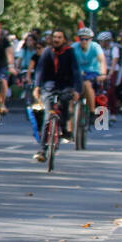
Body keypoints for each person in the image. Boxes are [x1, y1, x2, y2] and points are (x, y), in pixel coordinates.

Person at [32, 29, 80, 159]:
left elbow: (76, 71)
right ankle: (42, 150)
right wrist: (37, 86)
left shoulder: (70, 52)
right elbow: (40, 69)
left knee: (64, 104)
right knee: (48, 117)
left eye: (59, 37)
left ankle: (64, 128)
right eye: (54, 37)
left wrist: (77, 90)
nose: (56, 39)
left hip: (65, 86)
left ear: (64, 40)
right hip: (49, 86)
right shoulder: (47, 51)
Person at [72, 26, 106, 120]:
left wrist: (103, 74)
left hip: (93, 72)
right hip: (78, 73)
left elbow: (102, 60)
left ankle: (92, 111)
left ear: (90, 39)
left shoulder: (95, 47)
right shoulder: (74, 47)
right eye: (81, 39)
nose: (84, 41)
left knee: (87, 84)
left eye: (86, 39)